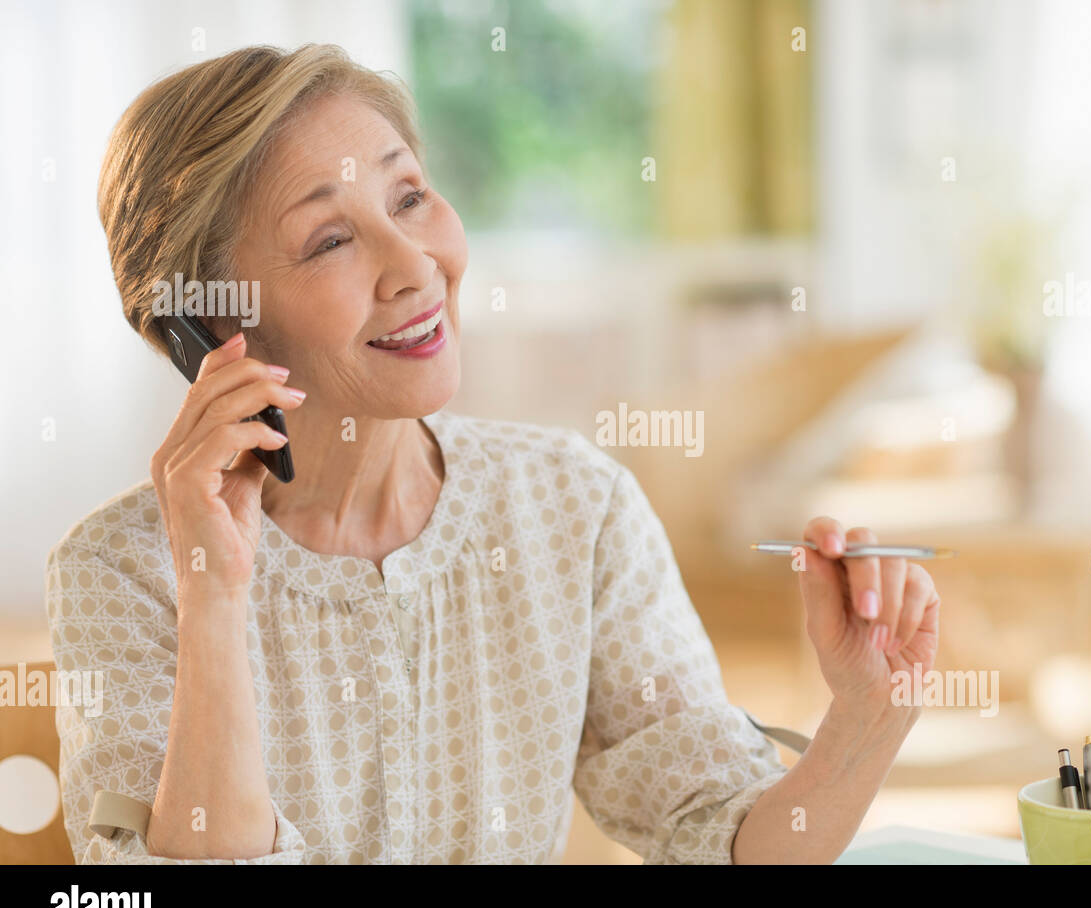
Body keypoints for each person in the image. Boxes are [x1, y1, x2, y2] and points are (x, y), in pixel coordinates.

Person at [45, 43, 941, 864]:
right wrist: (213, 595)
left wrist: (868, 715)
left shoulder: (574, 506)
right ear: (207, 326)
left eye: (409, 198)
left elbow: (718, 836)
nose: (414, 265)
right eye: (330, 240)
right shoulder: (118, 573)